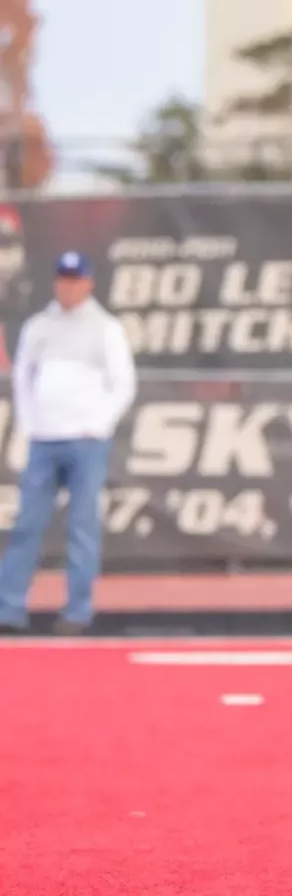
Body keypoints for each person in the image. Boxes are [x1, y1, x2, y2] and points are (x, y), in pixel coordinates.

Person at [0, 252, 137, 636]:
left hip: (85, 442)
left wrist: (99, 423)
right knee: (27, 525)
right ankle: (9, 608)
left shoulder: (106, 328)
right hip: (45, 440)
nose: (69, 286)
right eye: (63, 278)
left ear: (89, 283)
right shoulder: (39, 326)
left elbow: (123, 382)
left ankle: (78, 610)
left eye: (76, 279)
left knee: (82, 526)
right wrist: (30, 423)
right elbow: (23, 377)